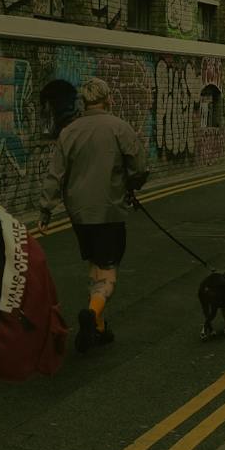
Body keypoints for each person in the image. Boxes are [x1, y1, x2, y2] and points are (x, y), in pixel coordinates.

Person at [39, 76, 148, 352]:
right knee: (108, 272)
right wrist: (131, 186)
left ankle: (99, 327)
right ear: (108, 98)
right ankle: (91, 312)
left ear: (84, 102)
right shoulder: (119, 128)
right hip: (109, 211)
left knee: (95, 265)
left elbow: (55, 174)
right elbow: (139, 167)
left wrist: (45, 210)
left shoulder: (69, 132)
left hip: (79, 214)